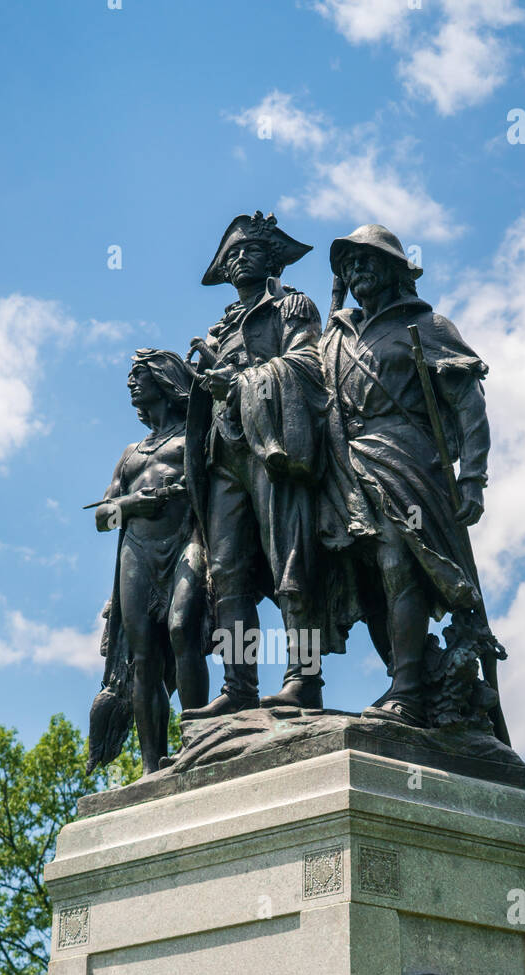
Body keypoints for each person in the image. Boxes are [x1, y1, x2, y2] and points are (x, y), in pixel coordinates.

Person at [318, 224, 492, 726]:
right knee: (364, 576)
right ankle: (408, 675)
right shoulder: (337, 333)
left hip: (406, 458)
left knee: (401, 563)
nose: (356, 271)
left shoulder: (427, 325)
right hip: (344, 465)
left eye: (367, 261)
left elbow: (468, 403)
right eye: (349, 265)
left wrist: (474, 477)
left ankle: (409, 692)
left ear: (396, 268)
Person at [183, 211, 337, 717]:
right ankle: (239, 686)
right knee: (227, 574)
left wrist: (246, 380)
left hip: (275, 451)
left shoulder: (291, 306)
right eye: (230, 256)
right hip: (224, 453)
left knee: (290, 565)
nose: (237, 261)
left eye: (247, 251)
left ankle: (303, 677)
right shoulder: (221, 326)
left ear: (271, 257)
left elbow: (309, 366)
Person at [89, 349, 210, 774]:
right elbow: (104, 517)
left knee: (182, 630)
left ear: (162, 379)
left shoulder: (193, 436)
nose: (131, 384)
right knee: (144, 659)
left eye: (139, 376)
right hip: (136, 552)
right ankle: (151, 763)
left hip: (186, 542)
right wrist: (134, 504)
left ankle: (198, 742)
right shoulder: (131, 453)